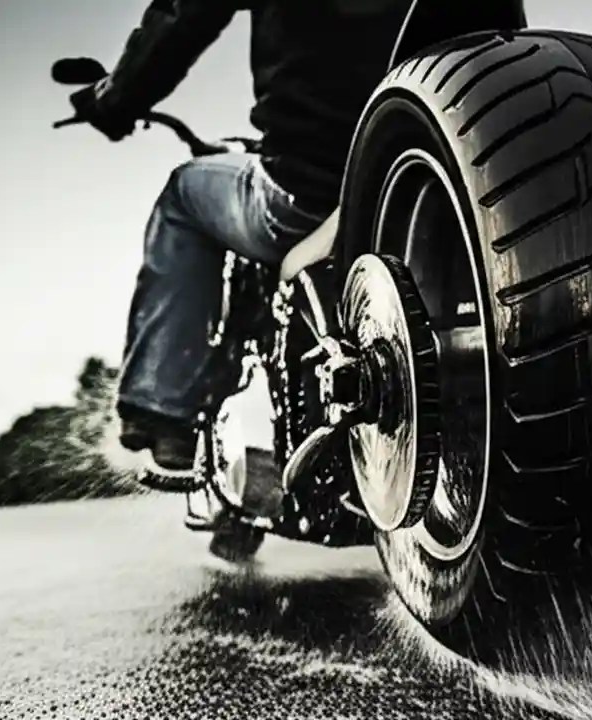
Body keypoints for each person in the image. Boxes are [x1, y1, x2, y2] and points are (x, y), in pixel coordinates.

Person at [68, 0, 411, 475]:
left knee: (183, 195)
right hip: (427, 168)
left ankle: (161, 406)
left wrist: (116, 97)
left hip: (308, 187)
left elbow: (182, 14)